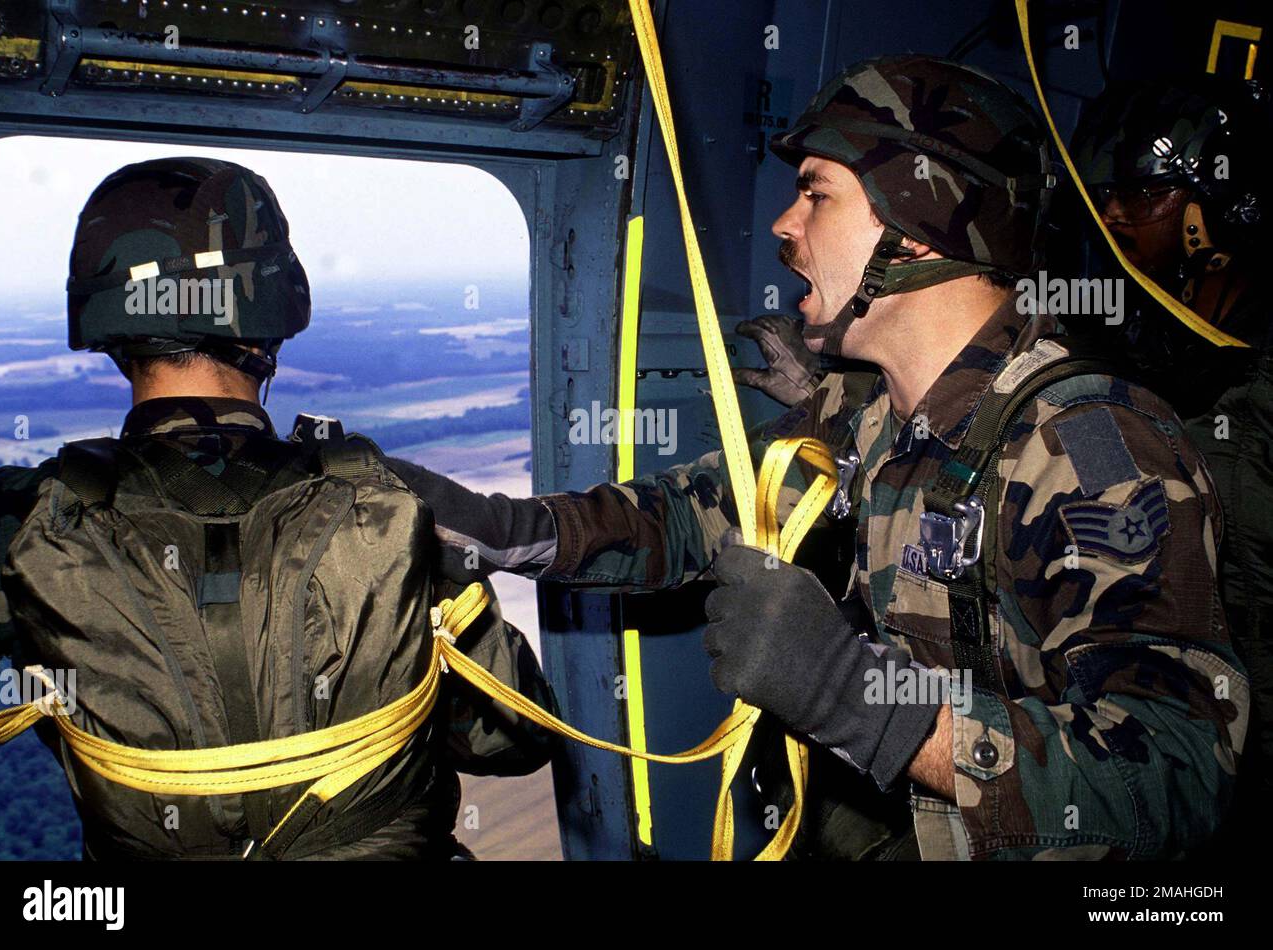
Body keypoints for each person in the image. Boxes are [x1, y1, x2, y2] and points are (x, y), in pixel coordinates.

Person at [395, 55, 1249, 859]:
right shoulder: (861, 410)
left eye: (815, 194)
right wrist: (503, 530)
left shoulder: (1090, 446)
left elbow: (1176, 777)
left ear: (916, 230)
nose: (783, 223)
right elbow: (683, 517)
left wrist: (861, 699)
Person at [0, 157, 551, 860]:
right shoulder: (384, 507)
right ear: (267, 324)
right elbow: (513, 737)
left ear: (110, 332)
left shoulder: (22, 520)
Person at [1073, 77, 1273, 848]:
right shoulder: (1139, 337)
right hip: (1183, 734)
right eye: (1109, 193)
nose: (1114, 212)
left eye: (1143, 191)